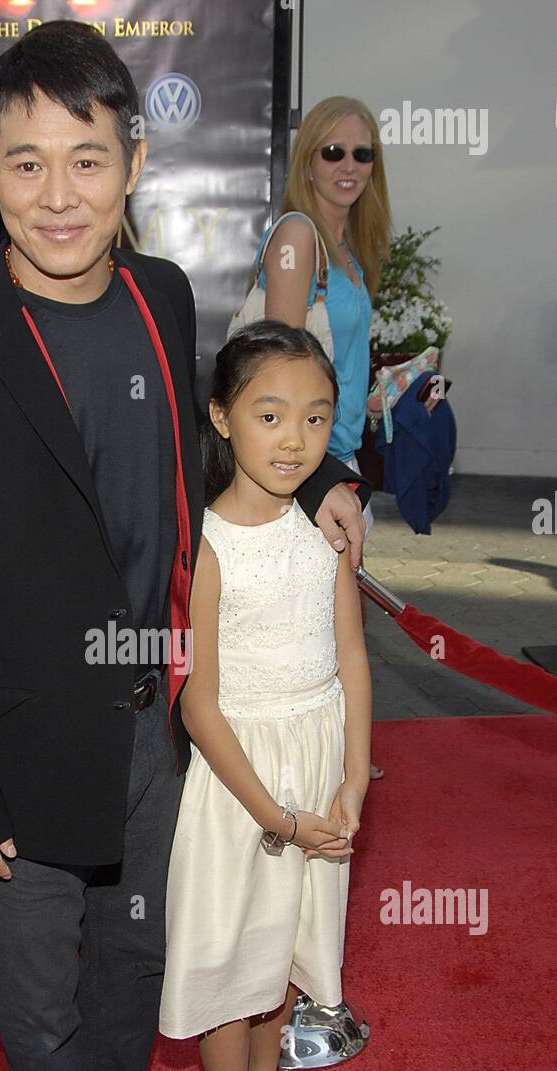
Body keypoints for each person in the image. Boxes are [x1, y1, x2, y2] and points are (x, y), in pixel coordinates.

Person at [0, 20, 371, 1071]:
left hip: (154, 710)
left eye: (86, 160)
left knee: (139, 946)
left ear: (134, 162)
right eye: (26, 163)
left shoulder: (160, 294)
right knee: (37, 984)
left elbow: (214, 454)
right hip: (18, 734)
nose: (58, 195)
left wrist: (319, 480)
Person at [160, 320, 372, 1071]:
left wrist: (352, 786)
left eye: (316, 418)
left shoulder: (325, 532)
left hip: (319, 770)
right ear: (220, 417)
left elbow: (354, 662)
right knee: (233, 965)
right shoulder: (202, 545)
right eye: (269, 414)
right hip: (240, 788)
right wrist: (276, 815)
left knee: (286, 946)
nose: (293, 439)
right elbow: (196, 704)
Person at [259, 97, 394, 780]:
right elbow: (276, 368)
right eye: (331, 152)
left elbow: (330, 357)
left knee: (335, 622)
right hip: (309, 466)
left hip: (340, 451)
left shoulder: (345, 247)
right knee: (312, 627)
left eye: (361, 153)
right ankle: (301, 767)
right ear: (306, 160)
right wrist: (309, 474)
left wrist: (373, 396)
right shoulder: (297, 235)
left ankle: (333, 753)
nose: (347, 166)